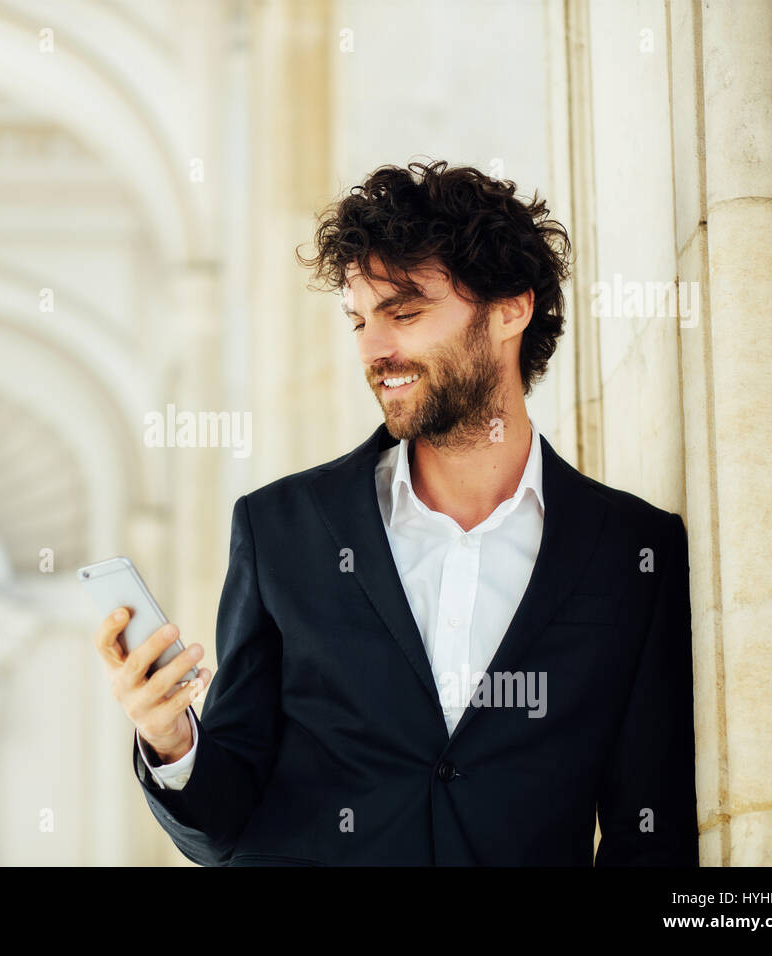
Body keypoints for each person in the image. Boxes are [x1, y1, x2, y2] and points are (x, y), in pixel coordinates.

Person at [93, 160, 698, 866]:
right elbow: (223, 824)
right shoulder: (281, 528)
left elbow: (646, 831)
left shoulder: (633, 551)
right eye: (359, 320)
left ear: (510, 309)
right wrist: (171, 742)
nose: (376, 349)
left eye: (404, 313)